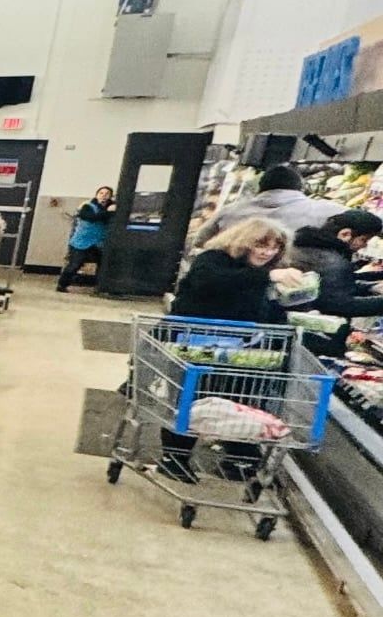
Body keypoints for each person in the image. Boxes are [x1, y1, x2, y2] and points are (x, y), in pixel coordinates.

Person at [156, 217, 301, 482]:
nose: (267, 252)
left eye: (274, 247)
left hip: (236, 352)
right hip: (194, 346)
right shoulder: (213, 260)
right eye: (261, 244)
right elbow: (211, 283)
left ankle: (239, 457)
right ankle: (174, 458)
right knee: (192, 400)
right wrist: (267, 276)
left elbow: (259, 309)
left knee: (233, 401)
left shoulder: (257, 274)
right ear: (243, 240)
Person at [287, 209, 383, 354]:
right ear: (345, 234)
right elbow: (338, 304)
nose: (364, 246)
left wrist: (371, 287)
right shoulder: (333, 261)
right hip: (317, 335)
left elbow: (325, 287)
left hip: (297, 330)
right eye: (364, 240)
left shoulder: (305, 246)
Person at [190, 165, 341, 245]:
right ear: (300, 188)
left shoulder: (230, 211)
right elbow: (361, 220)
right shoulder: (328, 210)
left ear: (260, 187)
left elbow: (201, 241)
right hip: (299, 286)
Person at [57, 186, 116, 292]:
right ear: (96, 195)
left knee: (104, 264)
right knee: (75, 264)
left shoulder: (114, 207)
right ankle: (62, 285)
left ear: (111, 196)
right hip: (81, 242)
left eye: (107, 194)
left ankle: (100, 287)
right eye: (101, 193)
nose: (104, 196)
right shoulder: (87, 206)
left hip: (100, 242)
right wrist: (109, 213)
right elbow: (91, 217)